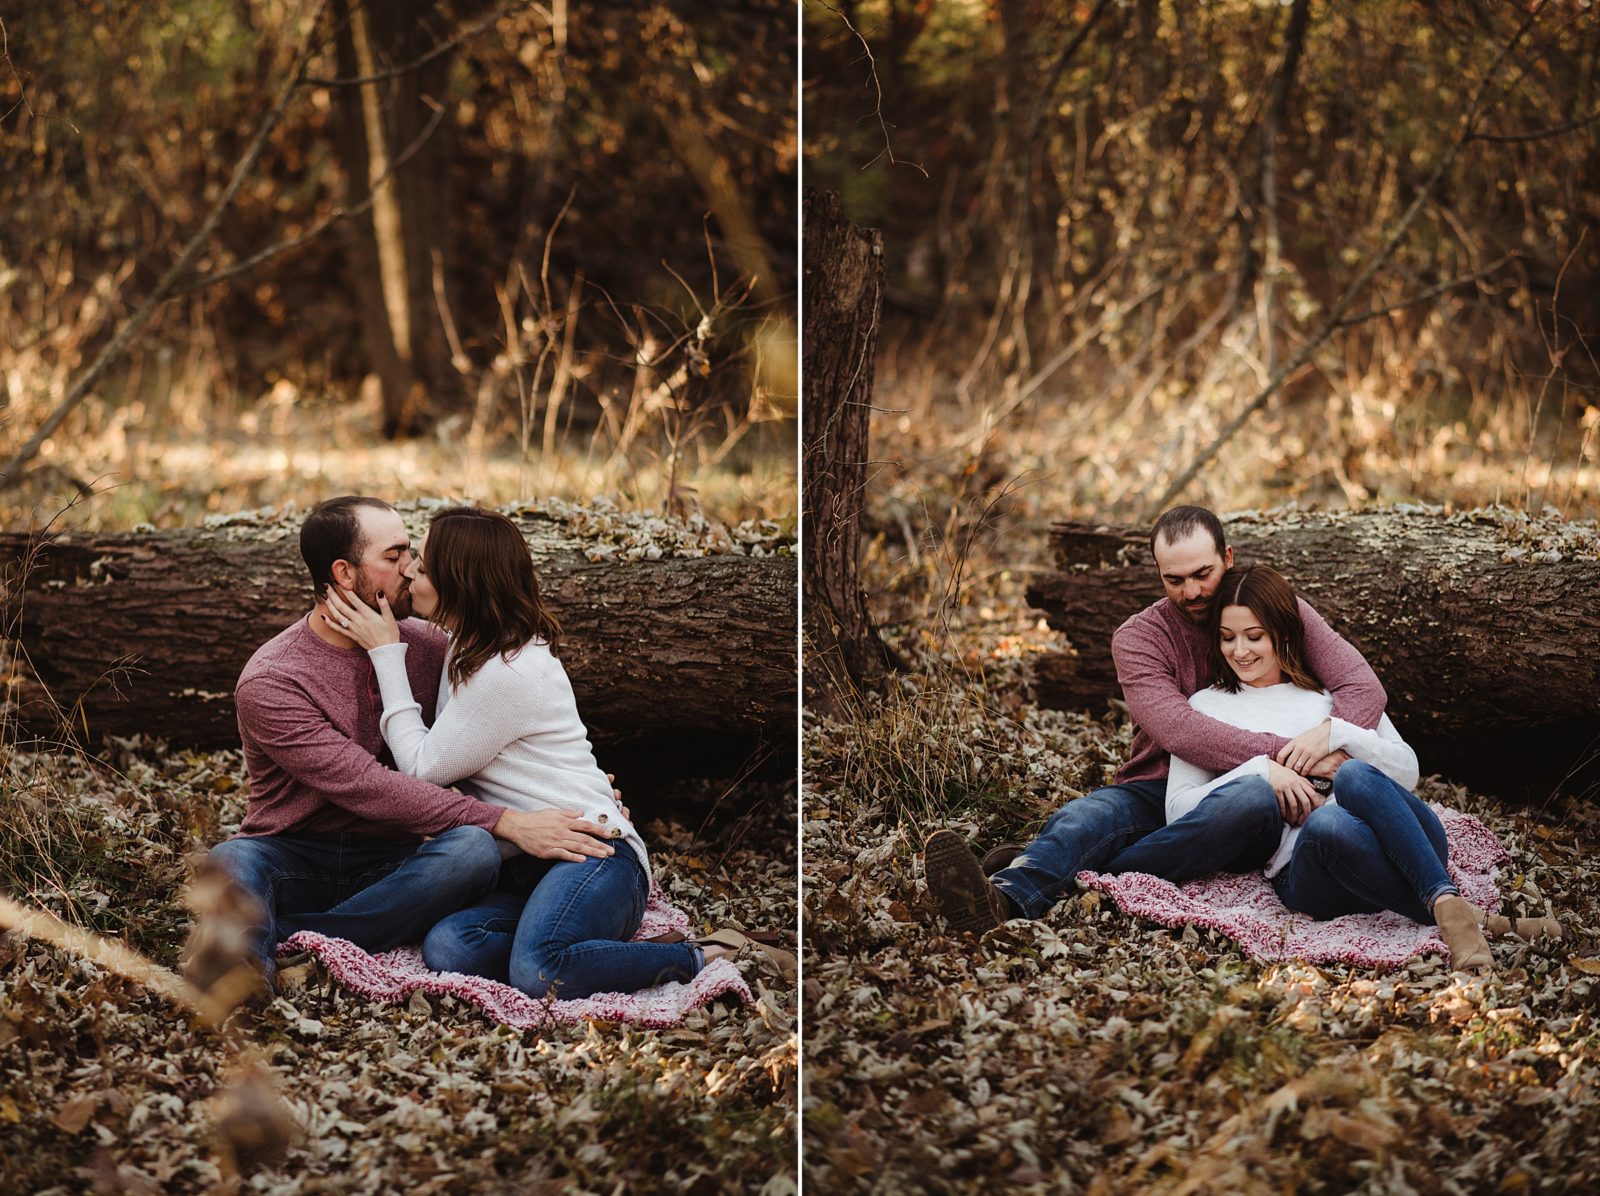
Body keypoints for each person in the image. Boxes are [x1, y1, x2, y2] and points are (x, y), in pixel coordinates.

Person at [323, 505, 795, 999]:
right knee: (451, 947)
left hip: (594, 853)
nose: (409, 570)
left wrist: (384, 654)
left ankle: (706, 953)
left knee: (538, 972)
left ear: (458, 580)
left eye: (421, 561)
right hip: (529, 860)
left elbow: (421, 769)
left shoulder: (506, 670)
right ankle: (586, 950)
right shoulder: (469, 644)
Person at [210, 496, 622, 992]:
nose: (410, 570)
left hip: (398, 858)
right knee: (233, 859)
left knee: (472, 850)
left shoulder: (432, 646)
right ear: (344, 573)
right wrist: (506, 820)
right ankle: (243, 978)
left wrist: (583, 790)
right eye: (395, 555)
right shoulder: (275, 679)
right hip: (298, 855)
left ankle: (293, 939)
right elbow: (367, 785)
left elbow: (506, 722)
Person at [925, 505, 1388, 934]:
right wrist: (1279, 759)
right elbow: (1178, 730)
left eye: (1203, 574)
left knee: (1249, 798)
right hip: (1160, 785)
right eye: (1175, 579)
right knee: (1089, 815)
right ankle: (1003, 900)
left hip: (1271, 802)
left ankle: (1056, 869)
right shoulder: (1139, 638)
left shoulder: (1276, 611)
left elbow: (1365, 687)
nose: (1191, 592)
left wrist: (1328, 741)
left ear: (1227, 556)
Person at [1163, 564, 1517, 971]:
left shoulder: (1333, 696)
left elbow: (1408, 772)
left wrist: (1338, 737)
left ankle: (1445, 902)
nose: (1239, 651)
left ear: (1284, 633)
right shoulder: (1207, 708)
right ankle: (1459, 915)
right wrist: (1259, 770)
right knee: (1328, 826)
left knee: (1353, 774)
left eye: (1254, 636)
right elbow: (1178, 810)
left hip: (1408, 842)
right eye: (1228, 638)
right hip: (1312, 872)